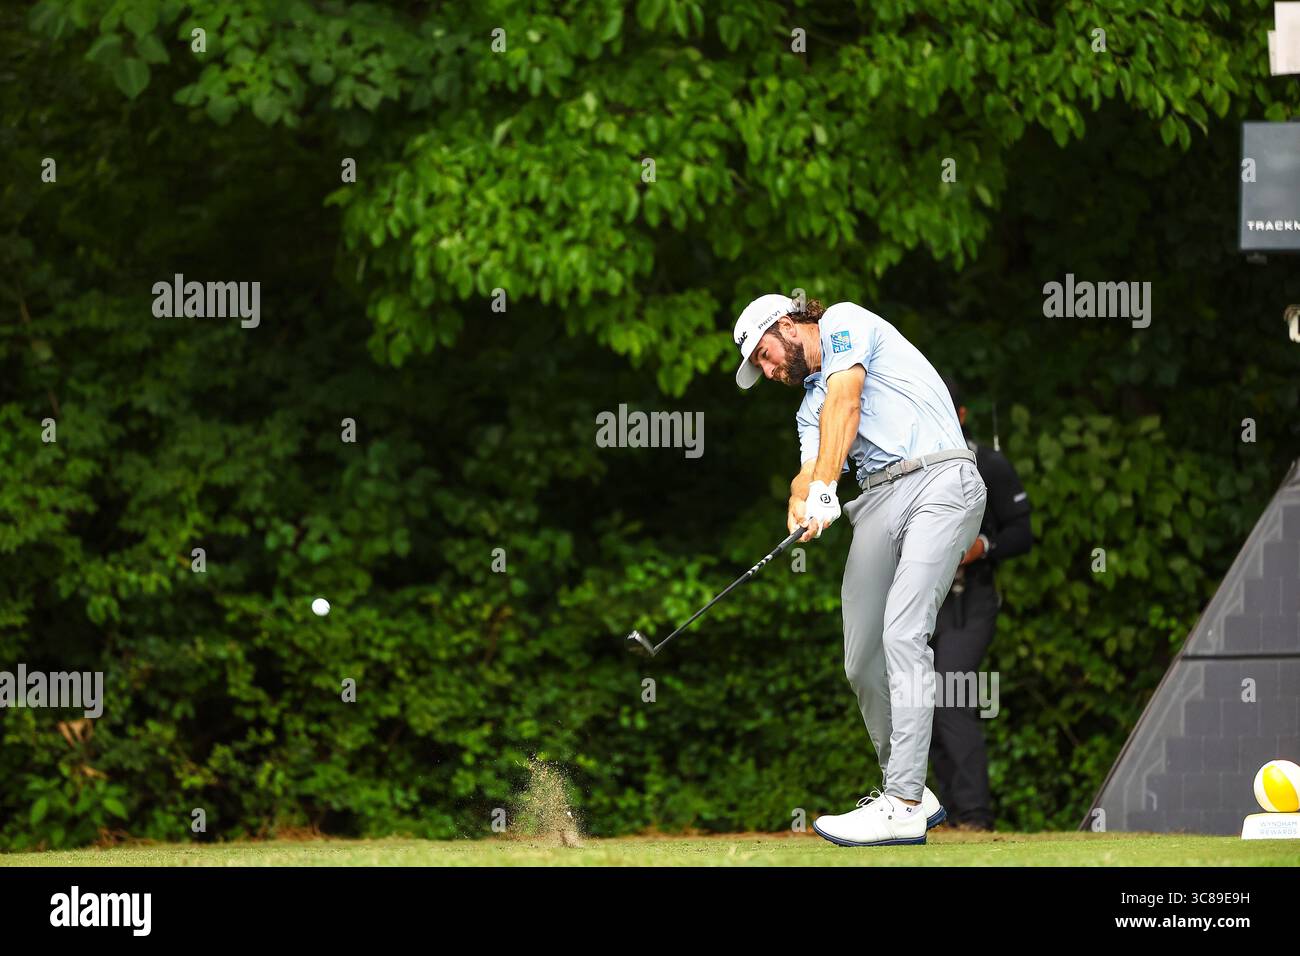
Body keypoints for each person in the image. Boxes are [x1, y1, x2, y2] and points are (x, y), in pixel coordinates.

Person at [733, 293, 987, 846]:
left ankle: (900, 802)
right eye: (761, 367)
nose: (770, 370)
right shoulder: (806, 407)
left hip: (940, 479)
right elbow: (807, 472)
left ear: (787, 324)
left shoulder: (845, 321)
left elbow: (846, 403)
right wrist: (803, 504)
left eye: (767, 355)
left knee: (903, 631)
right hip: (876, 501)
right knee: (862, 656)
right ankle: (916, 791)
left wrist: (827, 483)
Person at [927, 377, 1033, 832]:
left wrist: (982, 547)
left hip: (974, 597)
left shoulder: (989, 462)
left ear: (962, 413)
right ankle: (947, 812)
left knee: (950, 695)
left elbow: (1023, 534)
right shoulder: (915, 463)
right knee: (921, 702)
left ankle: (974, 816)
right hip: (925, 603)